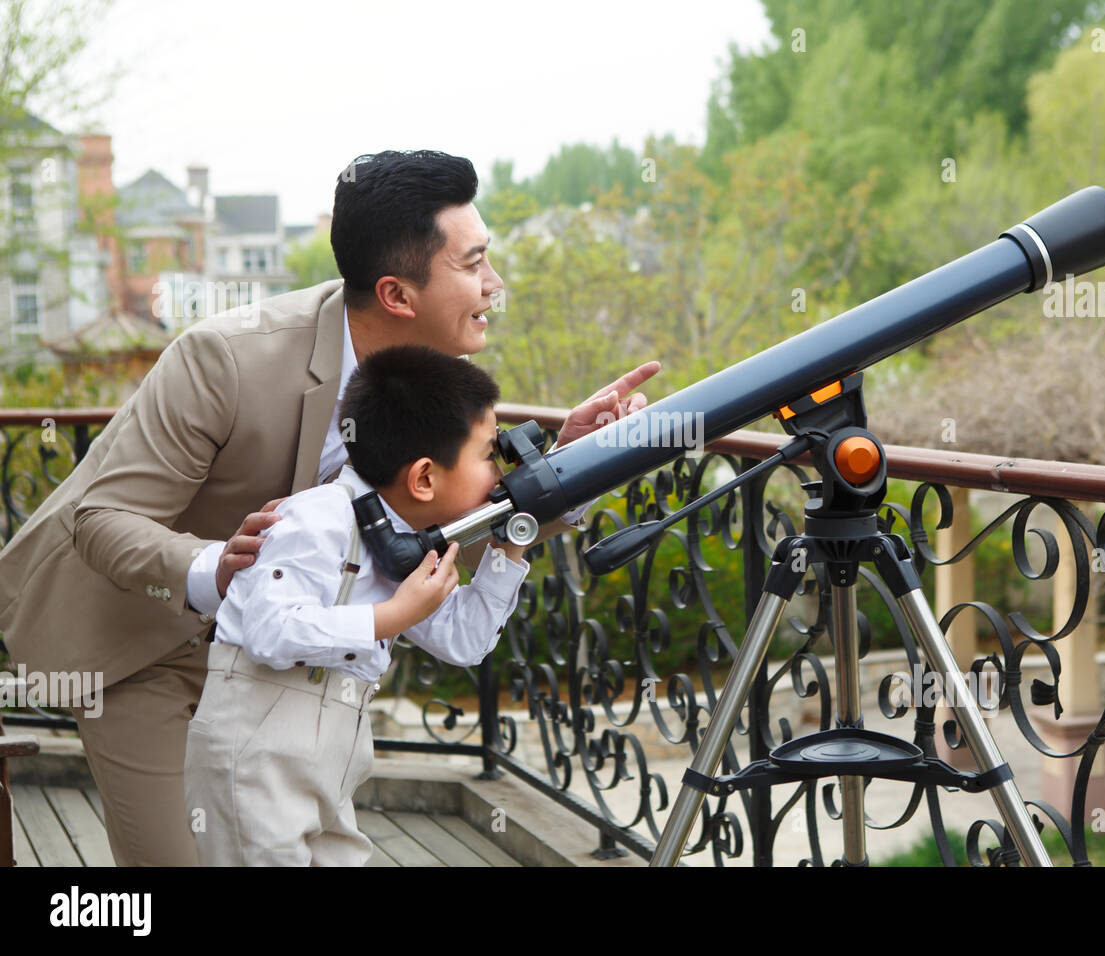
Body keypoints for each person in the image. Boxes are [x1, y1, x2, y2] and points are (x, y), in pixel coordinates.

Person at [0, 149, 659, 865]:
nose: (495, 287)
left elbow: (447, 522)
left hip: (289, 662)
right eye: (474, 265)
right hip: (143, 639)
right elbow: (100, 520)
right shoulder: (225, 358)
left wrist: (568, 461)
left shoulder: (441, 382)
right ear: (397, 294)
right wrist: (218, 568)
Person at [185, 345, 524, 865]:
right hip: (254, 762)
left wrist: (508, 547)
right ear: (424, 478)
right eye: (488, 455)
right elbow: (270, 630)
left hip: (333, 767)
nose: (498, 473)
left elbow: (465, 640)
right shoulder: (319, 516)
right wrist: (393, 616)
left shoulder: (404, 539)